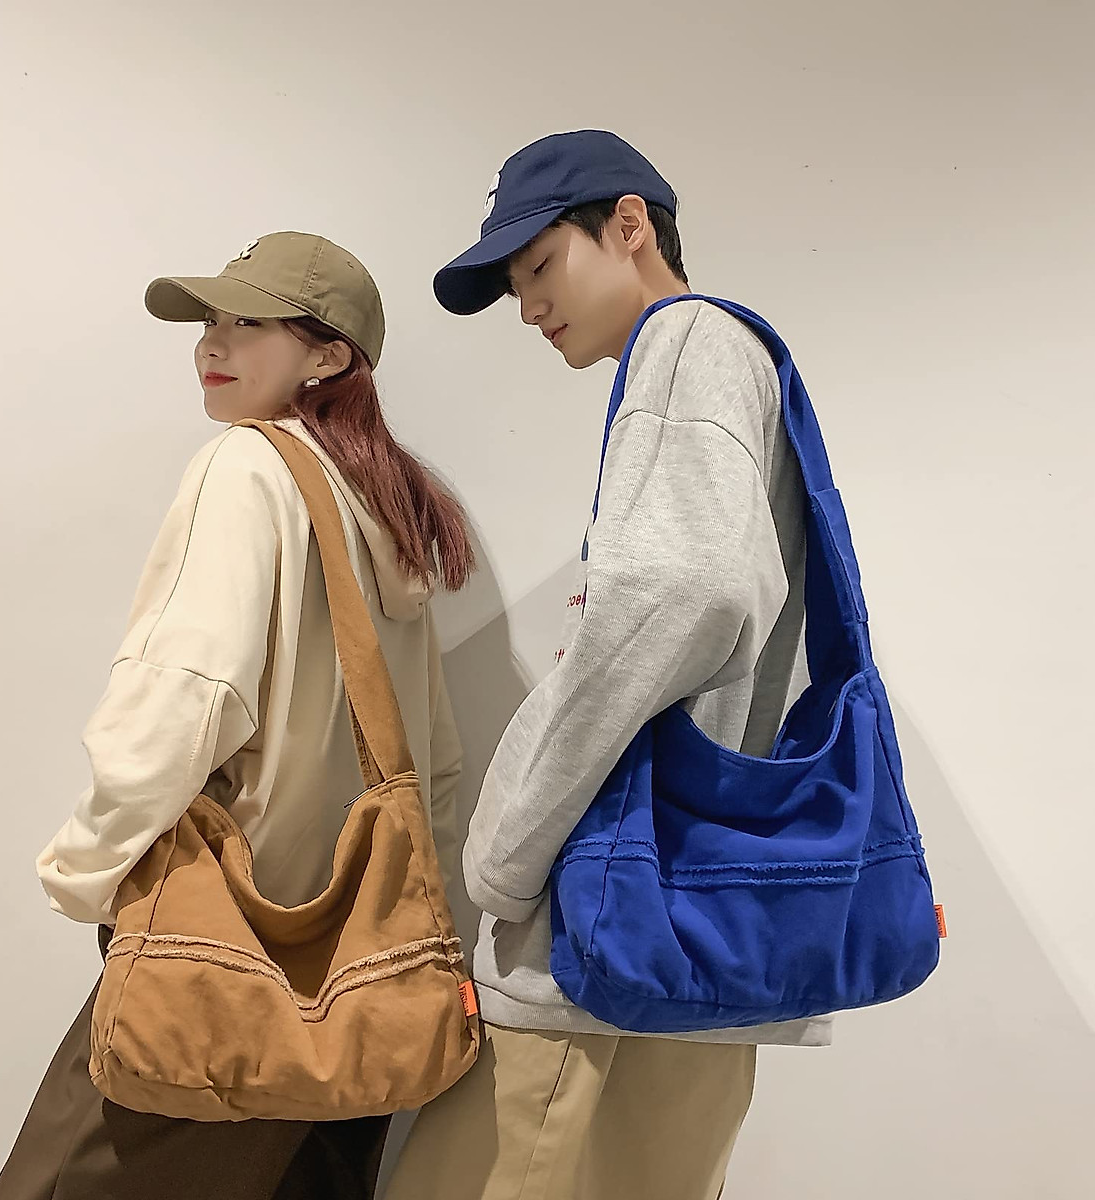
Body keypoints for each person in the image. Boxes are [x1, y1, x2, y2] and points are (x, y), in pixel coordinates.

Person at [0, 230, 474, 1200]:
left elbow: (182, 699)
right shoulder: (381, 504)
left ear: (328, 355)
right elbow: (436, 763)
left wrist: (85, 870)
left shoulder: (247, 467)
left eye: (248, 323)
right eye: (210, 321)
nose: (212, 343)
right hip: (357, 995)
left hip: (219, 964)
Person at [386, 130, 825, 1200]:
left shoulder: (684, 339)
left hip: (603, 935)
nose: (528, 308)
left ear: (631, 226)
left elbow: (684, 591)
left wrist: (508, 848)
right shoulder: (744, 362)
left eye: (540, 266)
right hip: (708, 935)